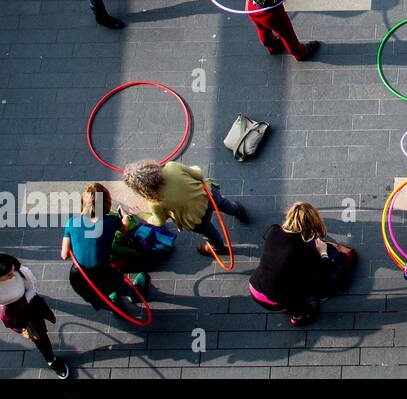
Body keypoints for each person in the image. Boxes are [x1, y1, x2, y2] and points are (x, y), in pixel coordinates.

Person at [249, 202, 357, 326]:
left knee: (287, 286)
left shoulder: (274, 231)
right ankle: (298, 317)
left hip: (255, 286)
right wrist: (323, 252)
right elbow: (322, 271)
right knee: (304, 292)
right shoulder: (302, 251)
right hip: (275, 299)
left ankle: (285, 307)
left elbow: (267, 236)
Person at [123, 159, 250, 262]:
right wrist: (192, 169)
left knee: (209, 232)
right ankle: (238, 211)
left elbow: (158, 222)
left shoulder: (154, 202)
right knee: (222, 203)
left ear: (141, 189)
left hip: (196, 218)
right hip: (208, 195)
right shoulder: (172, 167)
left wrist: (141, 214)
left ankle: (218, 248)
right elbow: (198, 174)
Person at [61, 183, 148, 314]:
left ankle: (115, 308)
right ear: (106, 203)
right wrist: (125, 217)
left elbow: (64, 254)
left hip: (79, 276)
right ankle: (134, 294)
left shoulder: (72, 222)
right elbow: (124, 229)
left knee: (96, 295)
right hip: (103, 270)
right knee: (118, 283)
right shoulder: (111, 221)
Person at [0, 255, 69, 378]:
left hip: (28, 306)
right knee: (37, 337)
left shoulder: (21, 272)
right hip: (13, 315)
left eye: (12, 270)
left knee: (40, 335)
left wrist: (24, 303)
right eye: (8, 275)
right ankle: (51, 360)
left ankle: (51, 359)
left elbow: (32, 289)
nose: (12, 274)